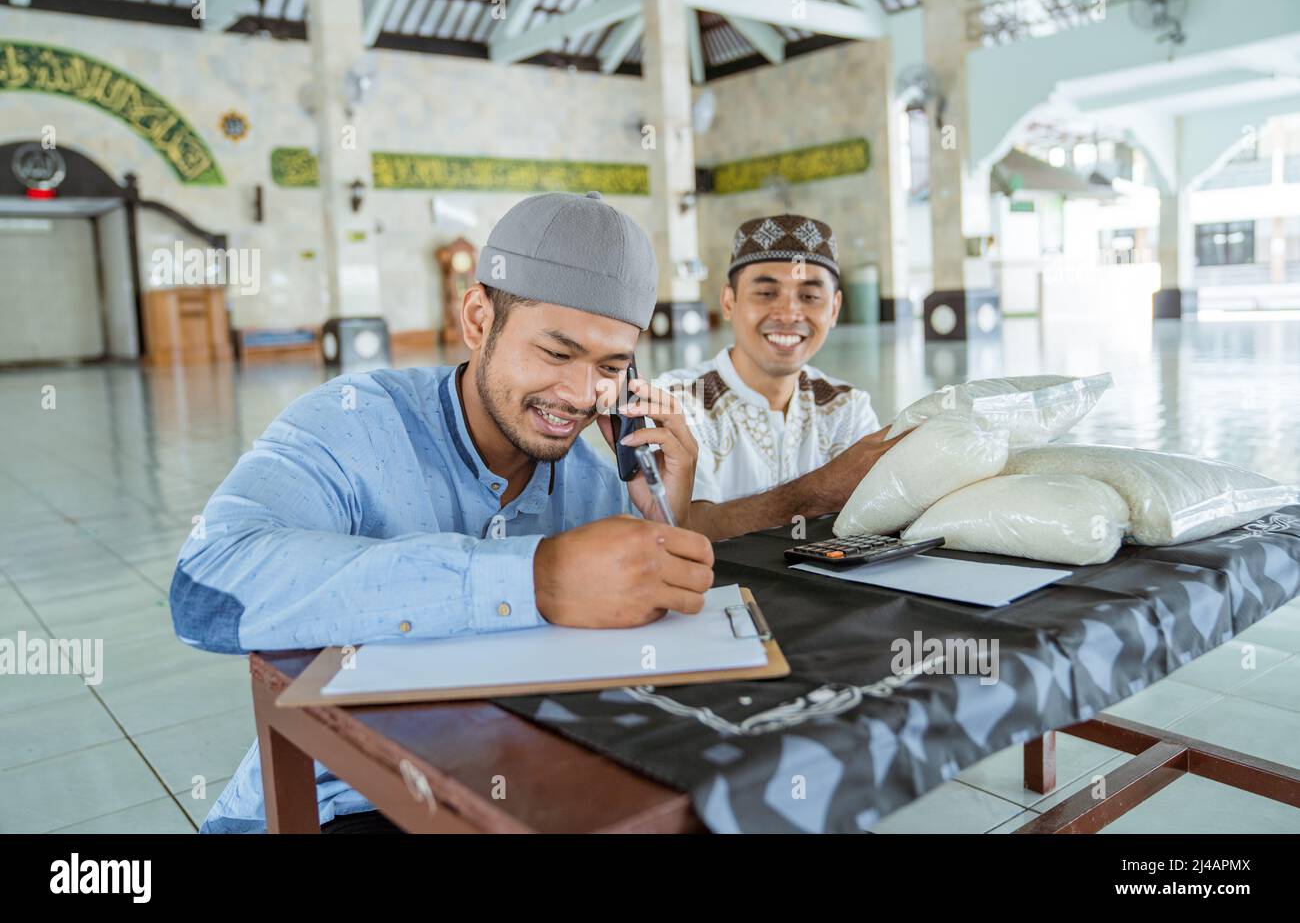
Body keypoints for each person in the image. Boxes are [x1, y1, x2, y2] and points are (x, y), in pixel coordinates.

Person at [169, 191, 712, 833]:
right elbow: (205, 592)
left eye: (610, 367)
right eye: (557, 353)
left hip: (511, 790)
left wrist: (660, 520)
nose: (577, 395)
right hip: (343, 798)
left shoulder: (597, 485)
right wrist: (533, 579)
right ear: (479, 318)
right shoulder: (354, 422)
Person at [659, 214, 903, 541]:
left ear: (833, 309)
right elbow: (690, 527)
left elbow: (881, 518)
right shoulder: (677, 401)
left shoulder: (847, 407)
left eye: (809, 296)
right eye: (766, 293)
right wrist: (820, 489)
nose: (788, 314)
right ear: (729, 301)